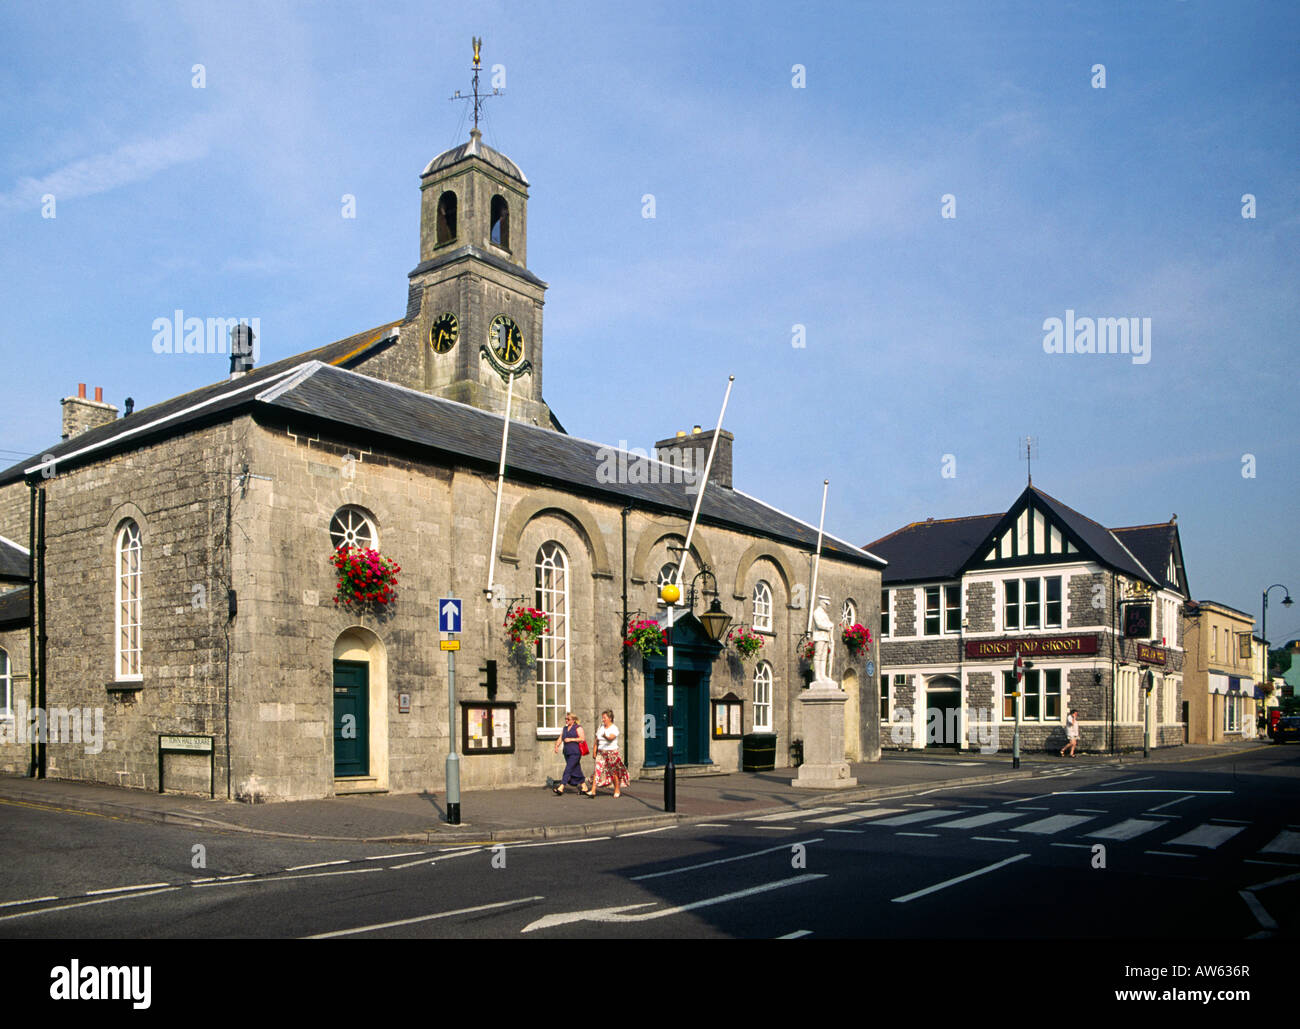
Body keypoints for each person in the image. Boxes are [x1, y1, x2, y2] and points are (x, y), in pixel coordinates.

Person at [584, 709, 628, 798]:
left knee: (613, 772)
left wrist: (605, 736)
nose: (603, 719)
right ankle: (593, 791)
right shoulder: (601, 727)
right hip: (601, 753)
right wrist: (594, 751)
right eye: (602, 718)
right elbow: (596, 740)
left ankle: (617, 789)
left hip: (612, 753)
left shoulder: (614, 728)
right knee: (597, 770)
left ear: (610, 718)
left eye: (604, 718)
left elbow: (611, 738)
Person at [552, 713, 586, 795]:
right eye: (566, 719)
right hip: (567, 752)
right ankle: (584, 787)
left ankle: (561, 787)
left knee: (568, 769)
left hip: (575, 752)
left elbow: (582, 739)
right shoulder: (564, 728)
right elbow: (560, 738)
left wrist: (571, 739)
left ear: (573, 720)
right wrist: (556, 746)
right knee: (576, 769)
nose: (566, 720)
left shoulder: (578, 728)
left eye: (568, 719)